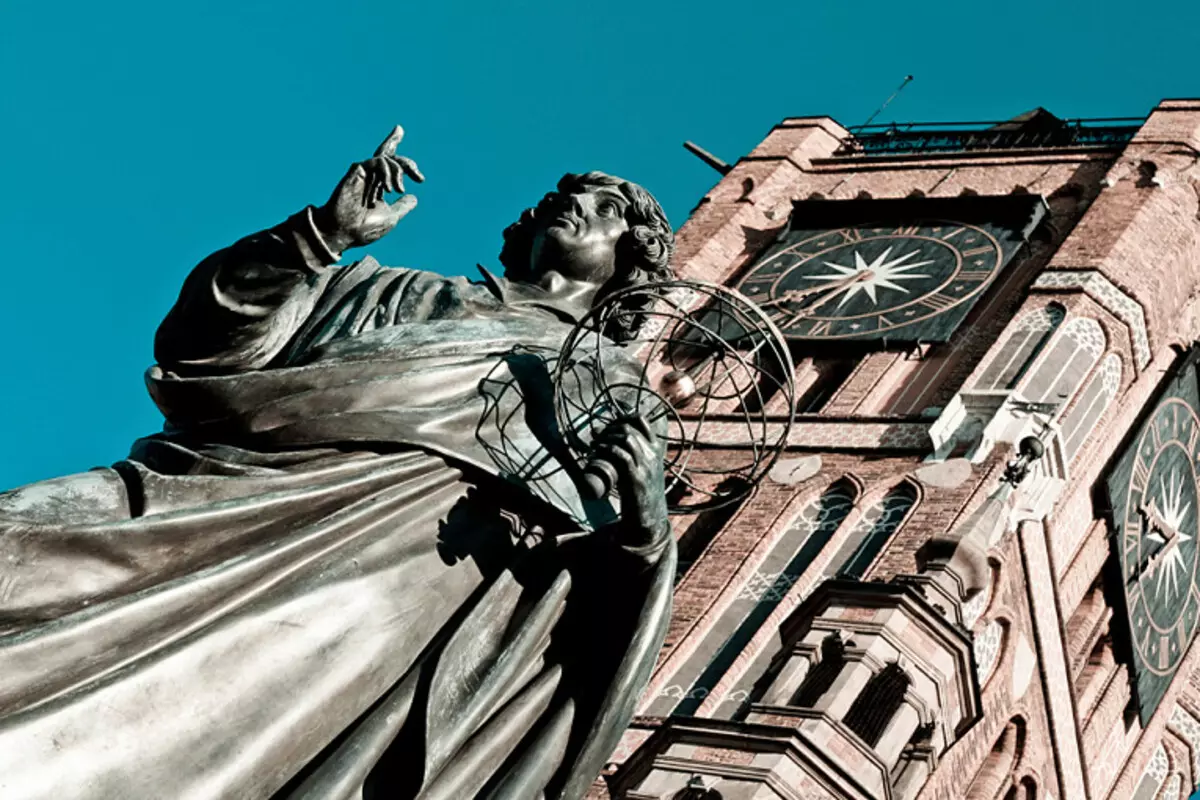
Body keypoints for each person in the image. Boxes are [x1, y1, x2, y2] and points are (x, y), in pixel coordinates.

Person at [0, 126, 677, 800]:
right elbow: (201, 350)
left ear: (633, 258)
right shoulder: (385, 289)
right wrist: (316, 238)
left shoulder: (613, 391)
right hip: (211, 492)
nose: (572, 202)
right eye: (565, 191)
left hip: (388, 570)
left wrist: (646, 521)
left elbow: (590, 594)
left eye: (608, 207)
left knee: (190, 725)